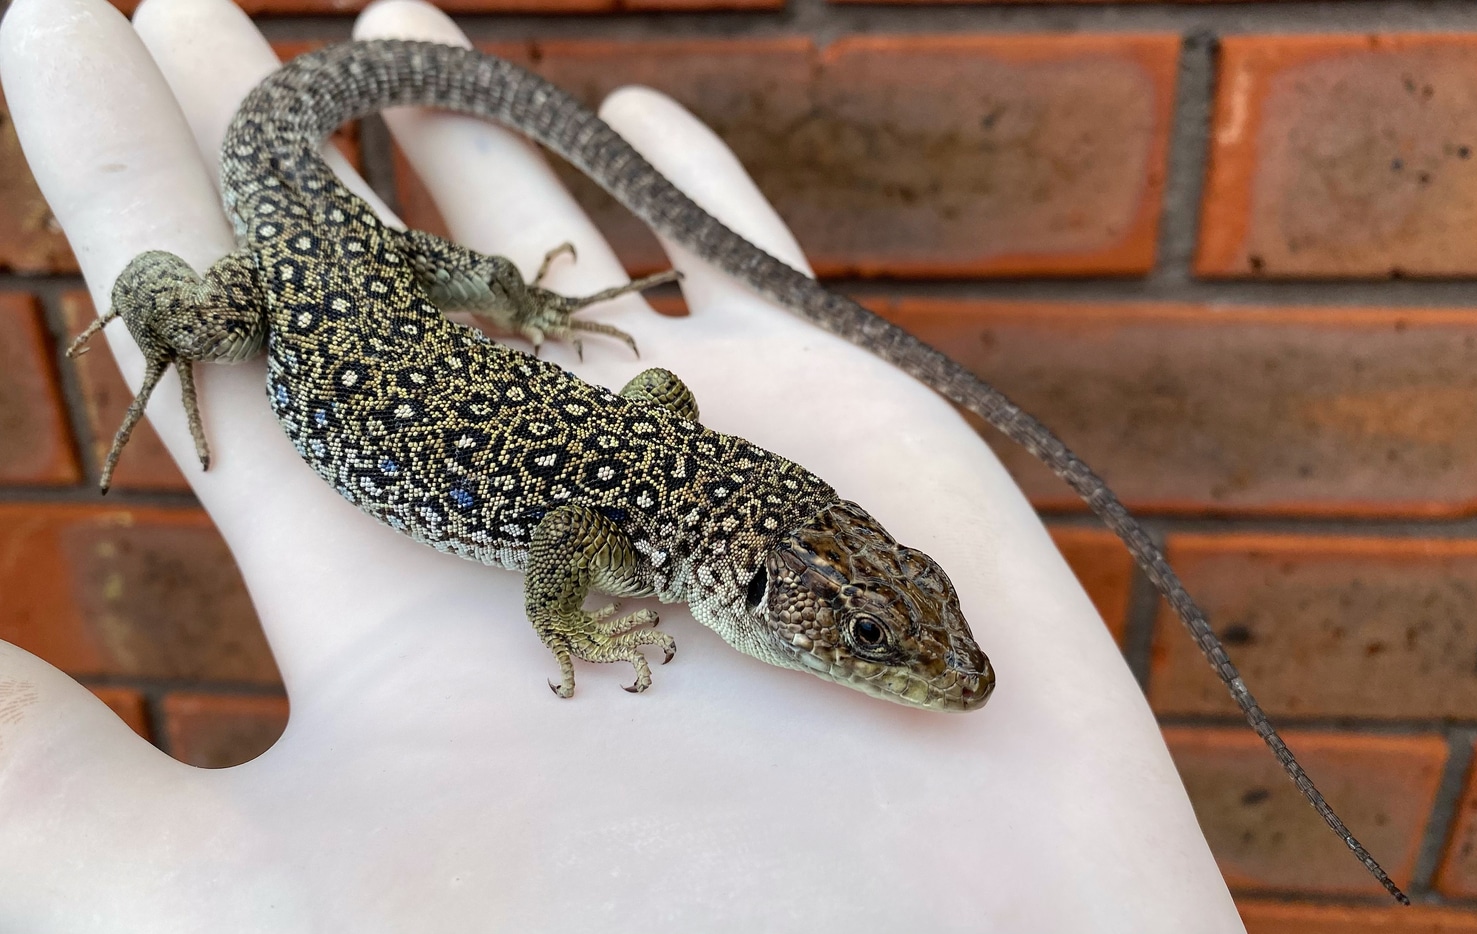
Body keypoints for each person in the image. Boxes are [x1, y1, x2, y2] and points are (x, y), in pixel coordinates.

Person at [0, 0, 1241, 928]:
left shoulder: (665, 452)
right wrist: (576, 624)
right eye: (867, 632)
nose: (914, 657)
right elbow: (569, 534)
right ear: (751, 592)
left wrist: (522, 324)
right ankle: (154, 305)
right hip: (302, 290)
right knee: (205, 322)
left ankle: (497, 308)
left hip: (385, 290)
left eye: (883, 622)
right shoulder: (624, 518)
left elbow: (650, 401)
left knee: (488, 294)